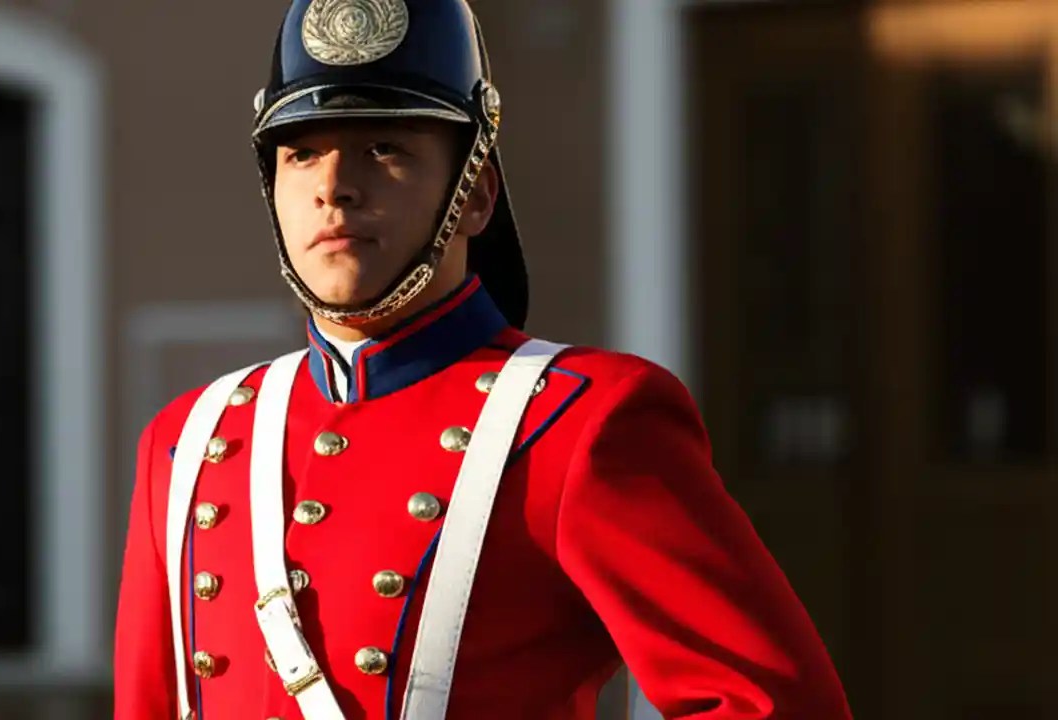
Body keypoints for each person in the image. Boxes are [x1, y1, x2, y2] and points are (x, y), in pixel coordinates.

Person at [113, 0, 853, 718]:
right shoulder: (187, 443)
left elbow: (772, 705)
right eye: (302, 153)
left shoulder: (581, 421)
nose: (334, 187)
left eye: (384, 148)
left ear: (475, 194)